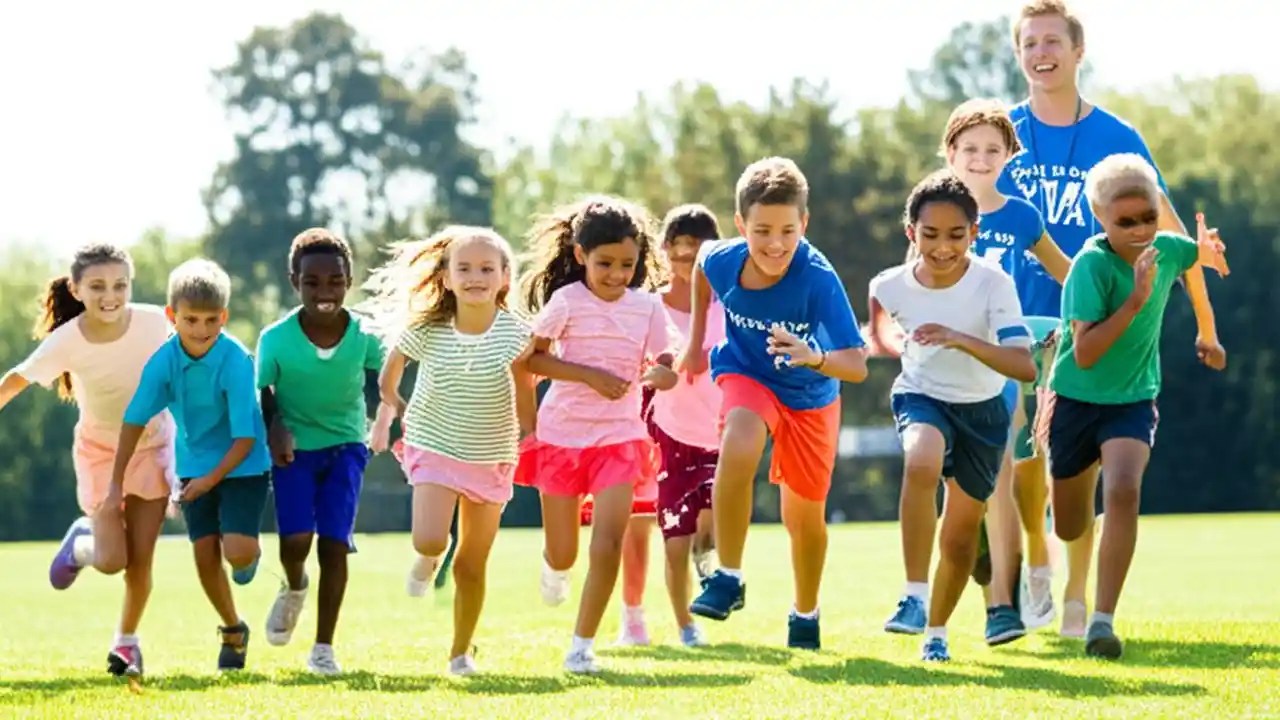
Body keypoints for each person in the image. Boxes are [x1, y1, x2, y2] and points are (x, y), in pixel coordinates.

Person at [1000, 0, 1196, 636]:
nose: (1041, 53)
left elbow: (1168, 230)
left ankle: (1078, 597)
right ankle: (1037, 557)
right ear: (1019, 54)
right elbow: (961, 207)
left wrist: (1199, 310)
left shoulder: (1117, 136)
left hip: (1086, 328)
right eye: (1029, 43)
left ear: (1078, 51)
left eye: (1052, 41)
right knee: (1023, 464)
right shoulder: (1002, 131)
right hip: (1010, 319)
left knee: (1081, 472)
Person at [1035, 153, 1226, 659]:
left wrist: (1209, 254)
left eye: (1148, 218)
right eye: (1126, 222)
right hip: (1075, 400)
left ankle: (1102, 622)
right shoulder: (1089, 267)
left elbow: (1195, 258)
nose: (1141, 230)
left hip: (1133, 399)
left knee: (1122, 490)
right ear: (1100, 217)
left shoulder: (1166, 248)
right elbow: (1087, 352)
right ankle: (1066, 536)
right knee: (1070, 524)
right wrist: (1136, 300)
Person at [682, 157, 869, 650]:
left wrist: (814, 357)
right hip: (747, 372)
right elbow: (701, 268)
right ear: (740, 224)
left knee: (803, 519)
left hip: (810, 395)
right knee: (739, 442)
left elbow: (856, 364)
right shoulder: (723, 260)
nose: (775, 244)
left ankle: (805, 611)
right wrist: (696, 344)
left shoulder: (817, 279)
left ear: (804, 224)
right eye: (761, 230)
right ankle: (728, 576)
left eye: (788, 230)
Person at [872, 169, 1036, 662]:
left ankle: (937, 632)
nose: (942, 247)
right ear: (911, 233)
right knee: (921, 458)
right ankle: (913, 595)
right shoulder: (887, 286)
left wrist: (959, 339)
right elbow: (881, 337)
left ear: (974, 233)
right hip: (921, 395)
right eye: (930, 235)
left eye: (956, 235)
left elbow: (1023, 366)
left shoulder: (994, 284)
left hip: (983, 413)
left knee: (962, 539)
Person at [513, 196, 679, 673]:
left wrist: (663, 373)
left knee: (607, 544)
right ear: (581, 255)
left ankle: (581, 647)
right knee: (564, 551)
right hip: (561, 436)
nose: (617, 274)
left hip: (620, 438)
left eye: (627, 264)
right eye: (605, 263)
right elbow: (530, 360)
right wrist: (587, 376)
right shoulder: (566, 301)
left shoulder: (647, 307)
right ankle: (554, 566)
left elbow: (666, 359)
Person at [0, 243, 174, 678]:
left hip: (153, 447)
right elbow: (16, 380)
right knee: (112, 560)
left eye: (120, 285)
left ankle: (126, 644)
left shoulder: (157, 323)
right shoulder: (67, 340)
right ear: (76, 290)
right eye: (97, 287)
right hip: (100, 453)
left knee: (141, 559)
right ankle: (82, 544)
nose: (110, 296)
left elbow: (200, 355)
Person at [366, 226, 535, 676]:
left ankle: (461, 652)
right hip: (434, 444)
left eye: (486, 269)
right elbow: (389, 374)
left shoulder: (517, 334)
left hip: (491, 453)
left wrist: (533, 433)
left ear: (504, 277)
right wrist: (396, 408)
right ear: (447, 277)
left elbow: (525, 388)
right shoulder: (427, 329)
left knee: (472, 565)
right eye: (465, 268)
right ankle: (427, 559)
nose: (475, 277)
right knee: (430, 539)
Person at [940, 97, 1071, 637]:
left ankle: (1002, 605)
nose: (980, 158)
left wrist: (1112, 304)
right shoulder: (933, 208)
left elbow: (1069, 273)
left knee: (1005, 471)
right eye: (969, 148)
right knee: (963, 485)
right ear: (950, 152)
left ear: (1009, 156)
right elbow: (911, 280)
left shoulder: (1021, 215)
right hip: (946, 363)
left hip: (1006, 358)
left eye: (993, 149)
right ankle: (977, 570)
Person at [114, 258, 272, 672]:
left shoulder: (236, 360)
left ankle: (248, 555)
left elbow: (244, 437)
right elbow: (133, 421)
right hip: (193, 464)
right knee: (204, 555)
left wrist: (209, 481)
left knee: (237, 553)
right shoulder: (162, 362)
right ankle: (233, 630)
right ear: (172, 316)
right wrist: (115, 483)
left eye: (210, 320)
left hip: (243, 463)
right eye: (190, 320)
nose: (201, 330)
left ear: (224, 316)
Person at [256, 229, 385, 675]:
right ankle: (295, 587)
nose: (324, 291)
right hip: (294, 450)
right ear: (295, 281)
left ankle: (323, 648)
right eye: (312, 282)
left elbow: (387, 376)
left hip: (347, 445)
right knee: (295, 543)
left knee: (333, 545)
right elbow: (264, 390)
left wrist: (389, 416)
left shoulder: (366, 334)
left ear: (349, 281)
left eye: (335, 281)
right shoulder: (275, 339)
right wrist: (275, 426)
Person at [645, 203, 726, 647]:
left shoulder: (727, 306)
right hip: (670, 437)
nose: (689, 260)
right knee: (674, 539)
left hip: (721, 435)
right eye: (681, 249)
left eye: (699, 252)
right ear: (665, 250)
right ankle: (686, 626)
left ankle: (709, 562)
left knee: (709, 531)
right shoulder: (650, 307)